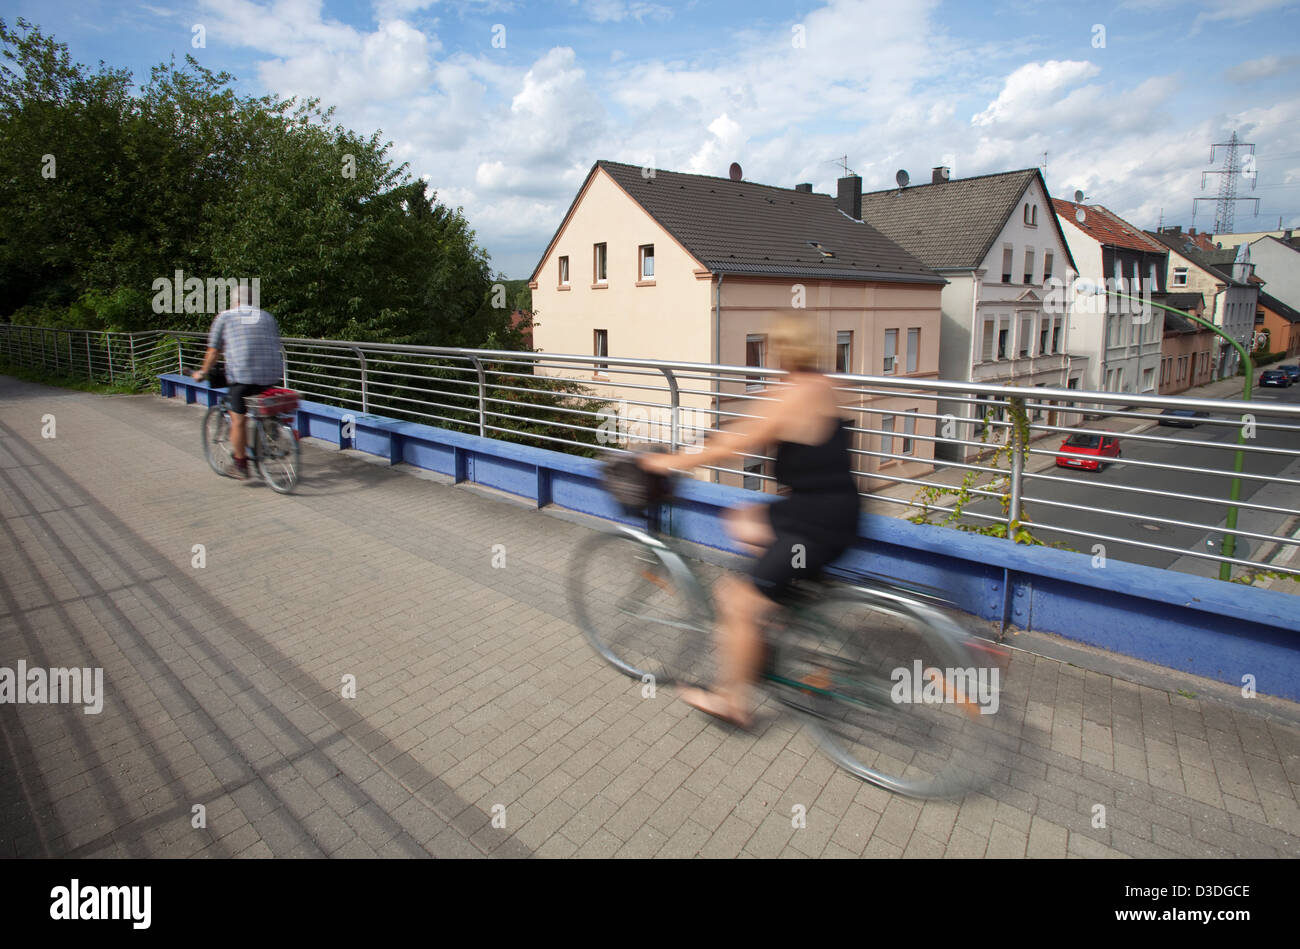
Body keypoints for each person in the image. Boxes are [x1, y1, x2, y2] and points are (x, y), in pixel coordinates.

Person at [638, 313, 860, 727]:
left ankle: (732, 700)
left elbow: (739, 443)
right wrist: (705, 439)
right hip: (833, 508)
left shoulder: (793, 394)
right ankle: (780, 612)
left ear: (783, 350)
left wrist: (668, 461)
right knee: (744, 519)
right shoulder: (822, 385)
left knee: (733, 599)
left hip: (814, 524)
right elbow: (746, 430)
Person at [191, 286, 284, 479]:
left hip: (243, 375)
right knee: (263, 404)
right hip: (272, 373)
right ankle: (270, 431)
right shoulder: (267, 316)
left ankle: (240, 464)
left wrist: (202, 372)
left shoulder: (225, 317)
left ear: (235, 301)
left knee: (238, 418)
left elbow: (213, 351)